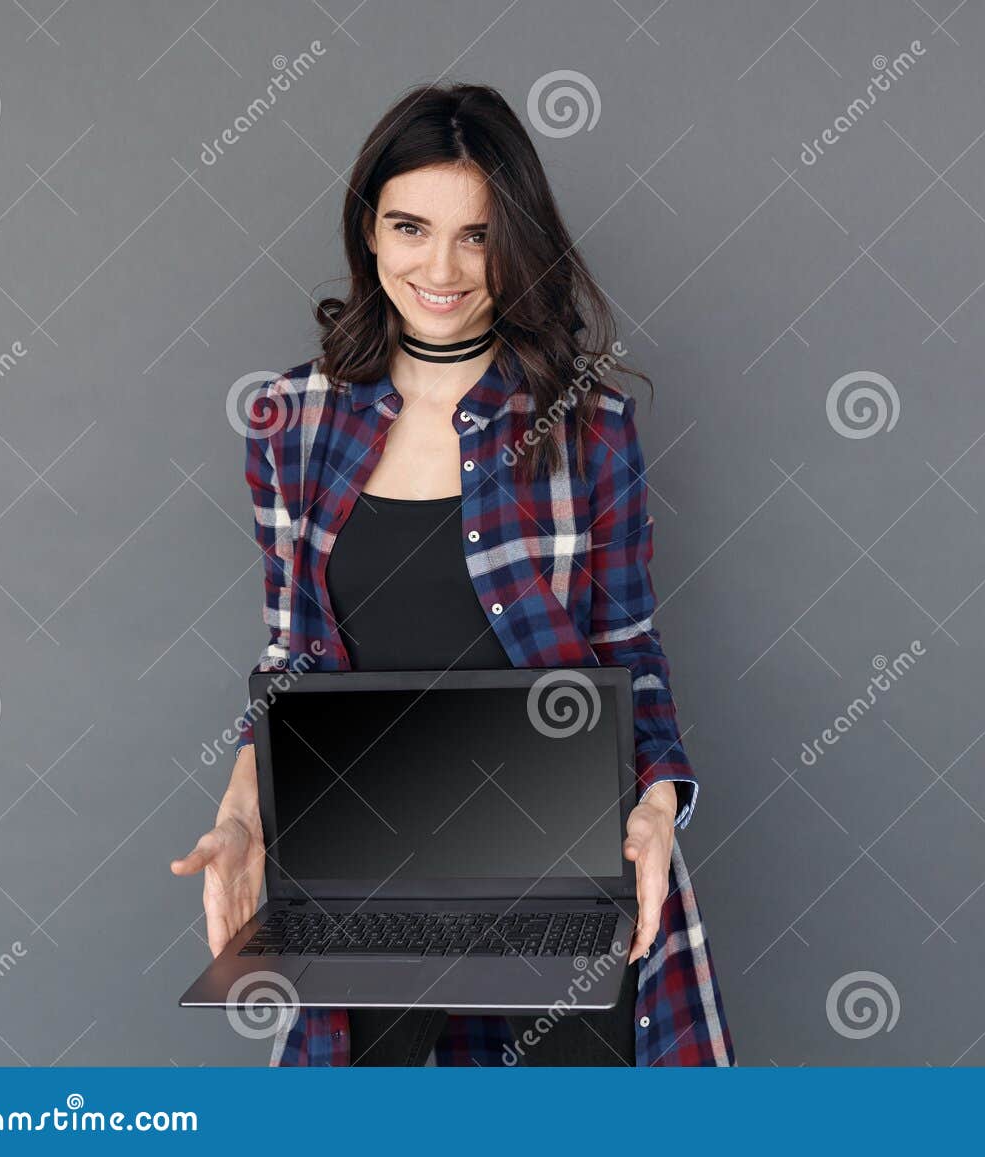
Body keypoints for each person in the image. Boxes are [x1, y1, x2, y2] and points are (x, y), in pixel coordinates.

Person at [170, 83, 735, 1067]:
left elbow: (627, 644)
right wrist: (238, 818)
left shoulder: (588, 426)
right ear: (369, 231)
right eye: (410, 227)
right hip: (365, 877)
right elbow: (293, 653)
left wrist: (652, 811)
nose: (440, 267)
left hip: (567, 875)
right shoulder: (289, 423)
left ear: (516, 244)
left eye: (477, 236)